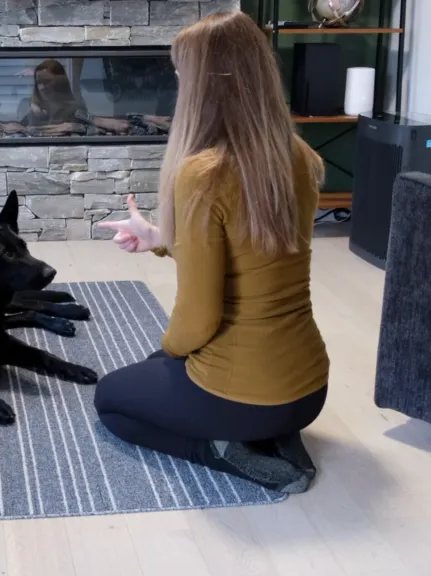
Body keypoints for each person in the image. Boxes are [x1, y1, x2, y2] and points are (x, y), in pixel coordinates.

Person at [94, 11, 330, 494]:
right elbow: (255, 259)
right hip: (309, 389)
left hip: (245, 397)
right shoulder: (298, 156)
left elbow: (199, 320)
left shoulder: (203, 173)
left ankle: (224, 450)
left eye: (182, 74)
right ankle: (277, 437)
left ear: (204, 84)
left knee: (112, 399)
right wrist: (159, 238)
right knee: (163, 366)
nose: (179, 85)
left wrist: (170, 352)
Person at [22, 59, 85, 126]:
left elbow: (80, 128)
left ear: (60, 83)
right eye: (39, 82)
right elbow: (20, 127)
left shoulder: (75, 111)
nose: (42, 87)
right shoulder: (36, 111)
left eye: (47, 81)